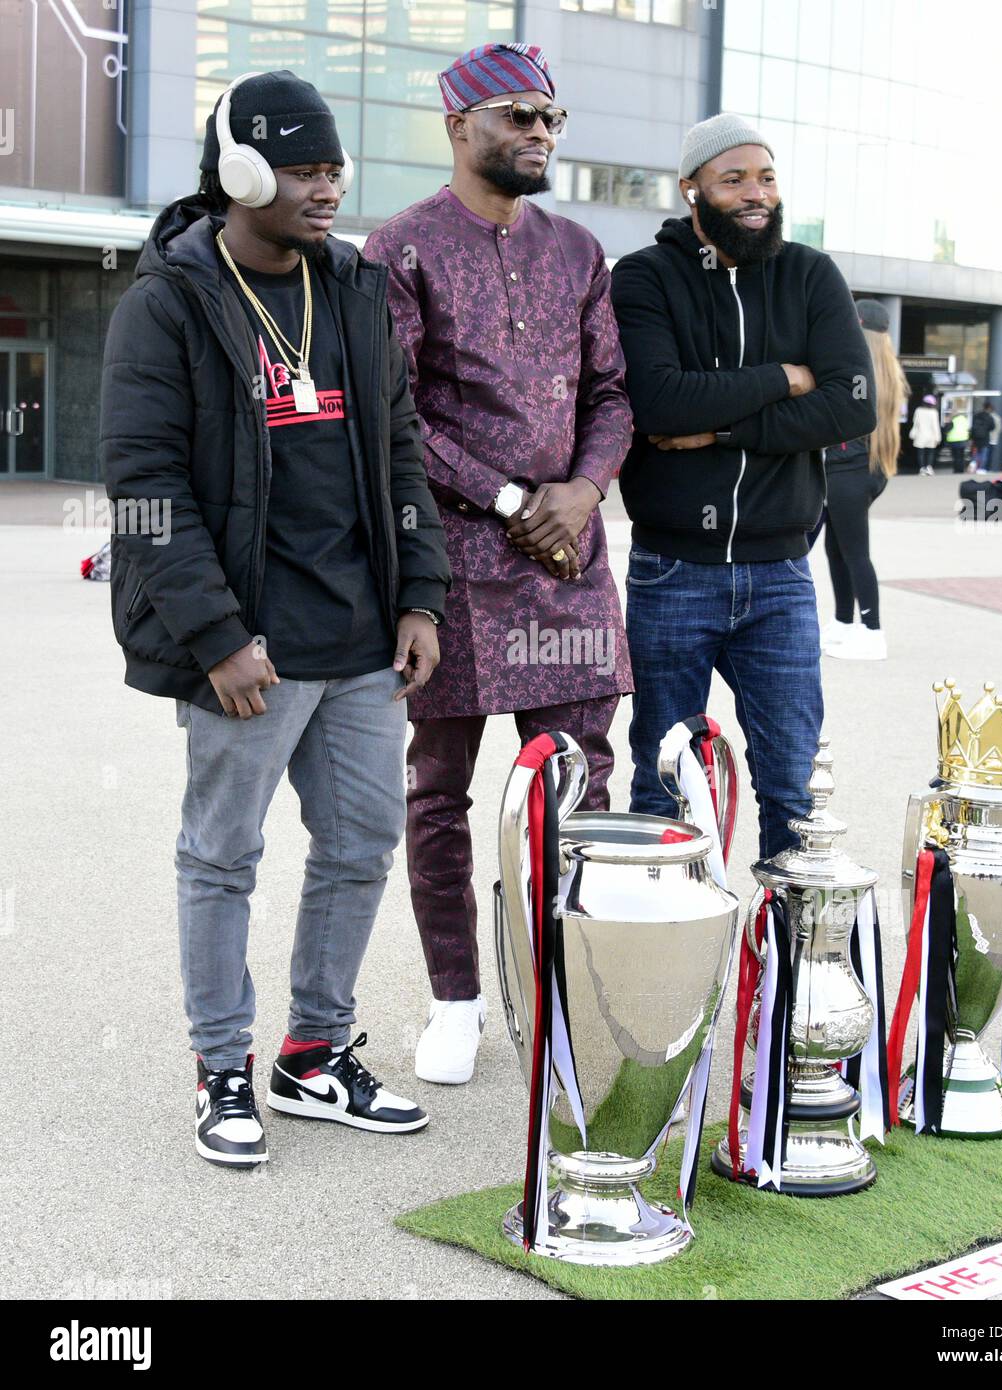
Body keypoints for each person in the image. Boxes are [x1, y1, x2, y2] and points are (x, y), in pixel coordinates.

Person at [101, 71, 451, 1166]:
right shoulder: (167, 301)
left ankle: (314, 1052)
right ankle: (222, 1069)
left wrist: (422, 594)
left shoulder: (350, 288)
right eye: (303, 171)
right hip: (246, 648)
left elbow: (400, 450)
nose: (327, 189)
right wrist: (216, 638)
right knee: (222, 856)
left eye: (333, 169)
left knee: (361, 842)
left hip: (357, 640)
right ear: (241, 173)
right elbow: (145, 486)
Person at [364, 43, 634, 1085]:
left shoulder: (578, 249)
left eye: (551, 120)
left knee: (578, 786)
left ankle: (565, 988)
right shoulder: (401, 250)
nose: (538, 135)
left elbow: (610, 391)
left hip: (568, 558)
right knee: (439, 791)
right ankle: (456, 1001)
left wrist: (582, 490)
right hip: (452, 564)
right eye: (516, 116)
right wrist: (514, 496)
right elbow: (397, 413)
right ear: (459, 127)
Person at [610, 114, 876, 859]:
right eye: (734, 179)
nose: (756, 193)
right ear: (692, 188)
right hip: (672, 571)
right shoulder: (642, 277)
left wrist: (724, 429)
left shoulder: (810, 274)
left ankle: (788, 970)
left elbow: (853, 403)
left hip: (781, 572)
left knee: (792, 787)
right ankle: (664, 964)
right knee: (663, 781)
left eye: (766, 177)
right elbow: (659, 402)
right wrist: (784, 380)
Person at [817, 299, 908, 661]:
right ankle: (844, 623)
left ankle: (872, 632)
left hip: (848, 470)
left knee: (853, 552)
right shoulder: (885, 372)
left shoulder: (858, 370)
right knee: (838, 547)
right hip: (864, 469)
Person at [910, 393, 941, 474]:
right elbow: (935, 426)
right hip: (931, 435)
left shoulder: (918, 410)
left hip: (920, 434)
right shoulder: (934, 412)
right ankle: (929, 467)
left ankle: (922, 468)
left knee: (920, 453)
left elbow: (915, 422)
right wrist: (938, 437)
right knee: (930, 452)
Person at [969, 403, 995, 472]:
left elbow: (972, 427)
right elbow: (992, 427)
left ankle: (973, 467)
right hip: (985, 438)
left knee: (975, 454)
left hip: (976, 439)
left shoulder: (976, 416)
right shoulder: (989, 417)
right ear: (989, 409)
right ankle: (981, 469)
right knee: (984, 454)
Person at [946, 408, 970, 473]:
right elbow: (967, 428)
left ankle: (956, 470)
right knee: (961, 456)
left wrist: (949, 420)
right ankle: (961, 470)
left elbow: (947, 429)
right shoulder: (964, 418)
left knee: (956, 457)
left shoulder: (952, 420)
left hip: (954, 440)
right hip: (963, 439)